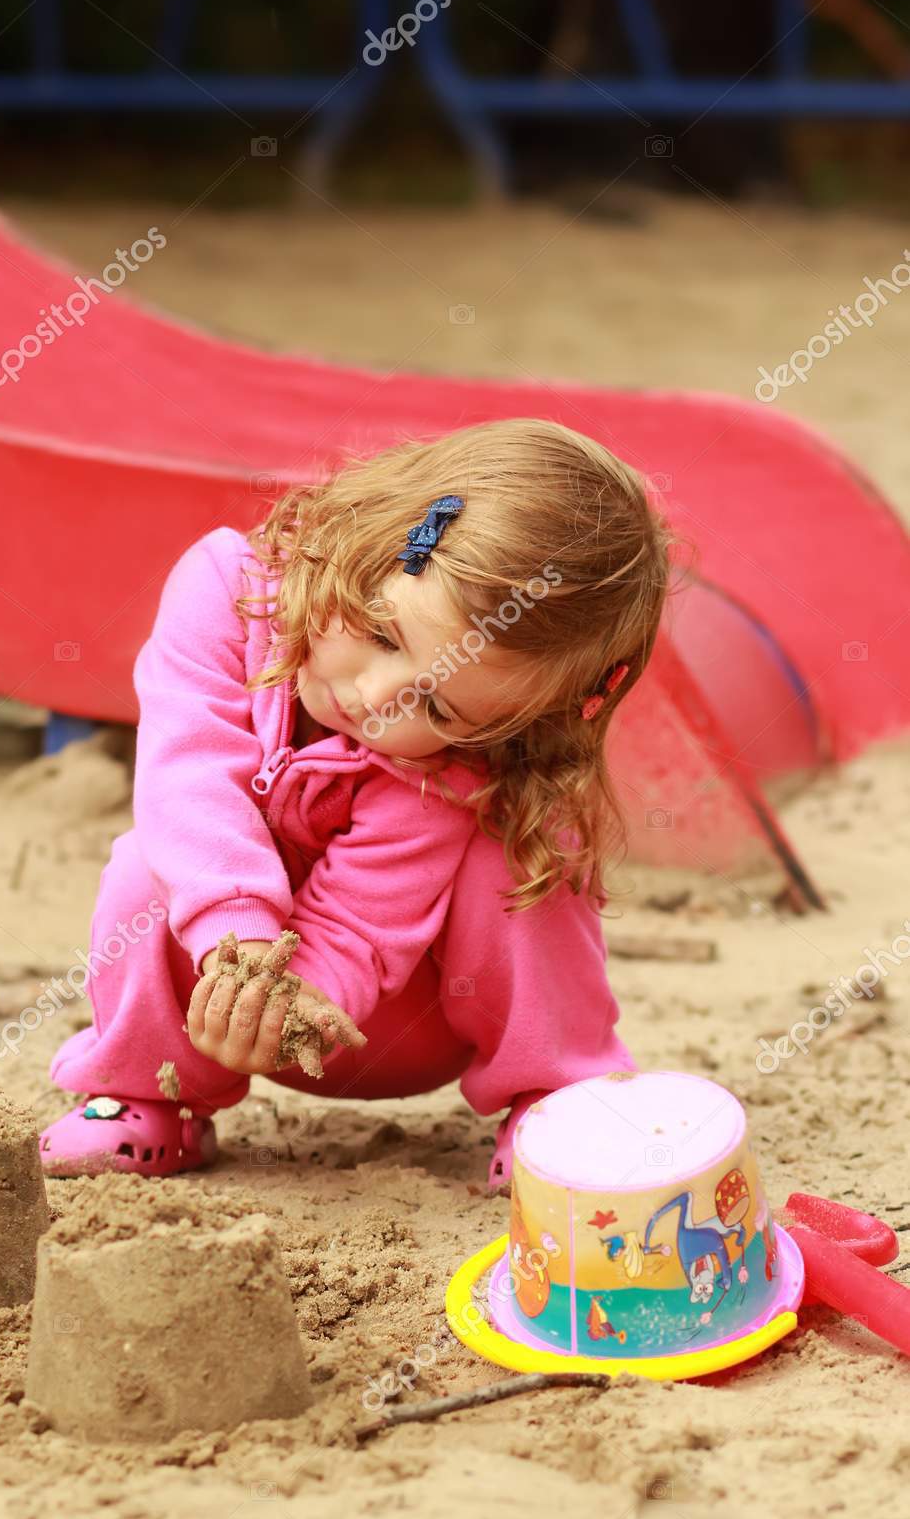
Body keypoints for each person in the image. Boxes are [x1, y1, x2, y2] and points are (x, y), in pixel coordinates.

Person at [39, 416, 673, 1187]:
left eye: (437, 709)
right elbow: (188, 774)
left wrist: (291, 1006)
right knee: (146, 867)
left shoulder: (458, 769)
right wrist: (237, 952)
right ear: (376, 538)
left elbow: (363, 916)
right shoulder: (225, 592)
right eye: (380, 632)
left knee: (527, 852)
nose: (374, 700)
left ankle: (558, 1095)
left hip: (376, 1014)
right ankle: (147, 1098)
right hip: (220, 993)